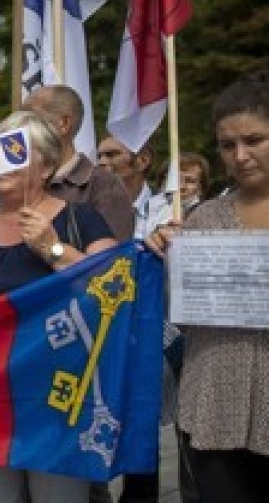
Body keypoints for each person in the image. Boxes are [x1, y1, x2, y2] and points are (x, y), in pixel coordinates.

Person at [0, 110, 116, 503]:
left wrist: (52, 249)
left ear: (47, 167)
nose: (3, 160)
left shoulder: (82, 219)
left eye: (16, 150)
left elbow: (113, 288)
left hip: (56, 399)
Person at [147, 71, 269, 502]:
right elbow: (175, 316)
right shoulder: (202, 221)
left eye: (254, 140)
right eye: (227, 145)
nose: (240, 155)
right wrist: (160, 258)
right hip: (213, 404)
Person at [25, 86, 135, 240]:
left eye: (31, 117)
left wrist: (54, 250)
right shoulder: (16, 182)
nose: (20, 125)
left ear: (63, 123)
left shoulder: (102, 185)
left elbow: (112, 259)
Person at [98, 134, 172, 240]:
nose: (101, 162)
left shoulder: (168, 209)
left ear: (142, 161)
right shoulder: (92, 208)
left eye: (111, 154)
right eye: (99, 156)